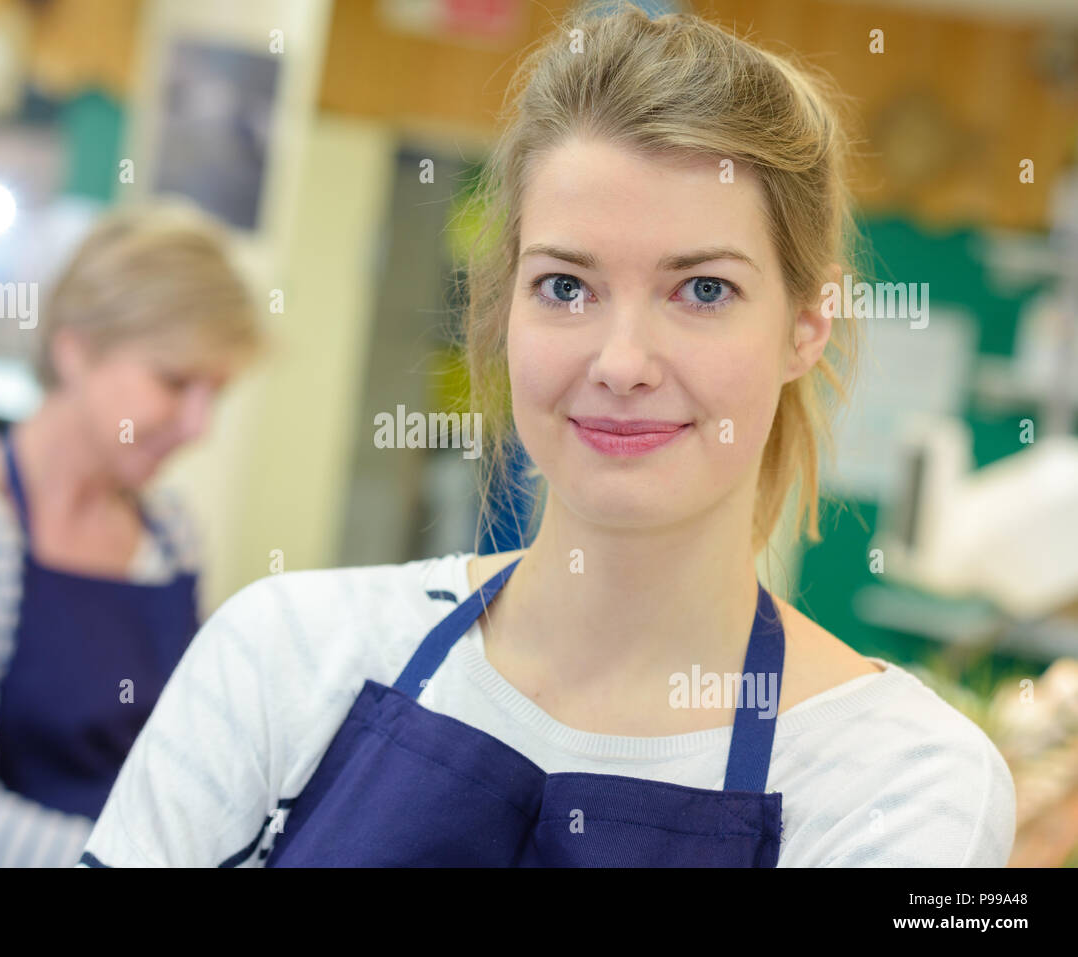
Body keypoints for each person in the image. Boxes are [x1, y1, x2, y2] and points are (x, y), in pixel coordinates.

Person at [79, 6, 1015, 867]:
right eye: (567, 286)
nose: (621, 361)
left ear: (808, 325)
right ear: (505, 310)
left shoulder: (904, 782)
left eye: (703, 290)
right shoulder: (282, 651)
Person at [0, 201, 266, 866]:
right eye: (176, 381)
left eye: (215, 391)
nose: (199, 425)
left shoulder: (168, 534)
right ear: (74, 349)